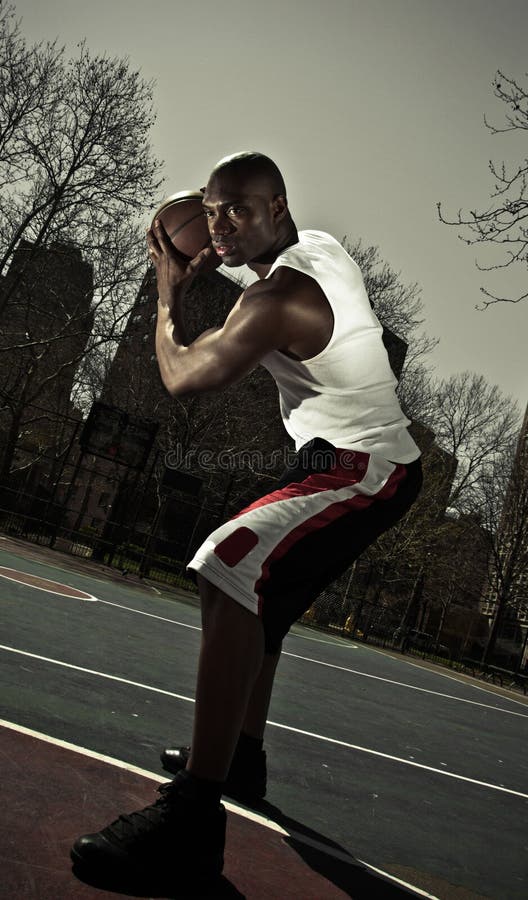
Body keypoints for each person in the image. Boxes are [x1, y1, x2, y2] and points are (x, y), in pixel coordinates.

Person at [71, 151, 422, 888]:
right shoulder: (317, 246)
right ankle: (244, 760)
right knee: (265, 603)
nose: (217, 223)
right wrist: (215, 253)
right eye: (210, 207)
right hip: (353, 454)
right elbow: (249, 262)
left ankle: (192, 822)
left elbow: (182, 377)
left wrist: (169, 291)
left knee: (228, 564)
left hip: (364, 466)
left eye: (237, 209)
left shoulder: (274, 301)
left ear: (278, 208)